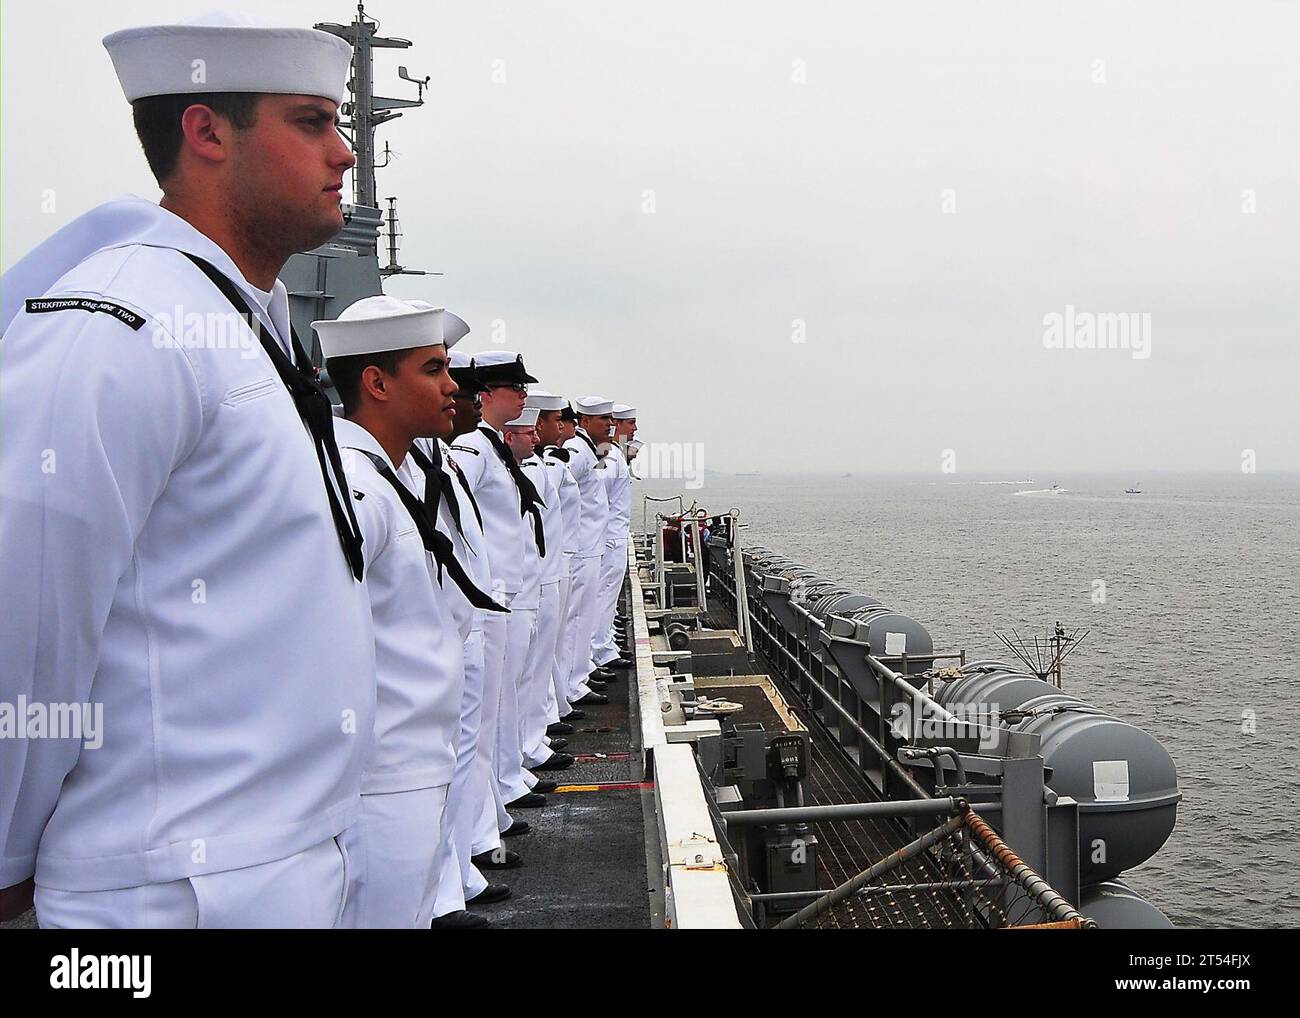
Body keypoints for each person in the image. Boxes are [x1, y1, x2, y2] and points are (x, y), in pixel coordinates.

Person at [0, 14, 376, 929]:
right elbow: (30, 607)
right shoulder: (119, 323)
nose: (346, 153)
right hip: (168, 894)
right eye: (312, 121)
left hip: (285, 863)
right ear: (206, 132)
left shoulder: (243, 322)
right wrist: (5, 854)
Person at [315, 295, 475, 928]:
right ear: (377, 383)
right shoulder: (354, 485)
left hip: (415, 765)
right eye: (432, 369)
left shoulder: (395, 476)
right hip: (379, 781)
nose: (452, 385)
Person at [449, 351, 543, 866]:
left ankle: (486, 826)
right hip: (485, 601)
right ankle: (476, 842)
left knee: (487, 721)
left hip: (502, 595)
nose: (522, 395)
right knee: (476, 728)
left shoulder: (492, 449)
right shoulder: (471, 449)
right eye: (514, 387)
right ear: (485, 394)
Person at [560, 397, 617, 708]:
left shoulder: (588, 449)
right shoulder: (578, 452)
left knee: (582, 617)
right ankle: (572, 684)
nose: (609, 423)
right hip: (580, 551)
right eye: (603, 418)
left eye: (610, 418)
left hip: (588, 549)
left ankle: (579, 674)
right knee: (576, 619)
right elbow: (554, 487)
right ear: (585, 420)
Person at [588, 404, 638, 673]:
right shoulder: (607, 453)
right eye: (630, 423)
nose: (634, 428)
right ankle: (601, 650)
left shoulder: (613, 453)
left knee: (605, 596)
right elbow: (599, 498)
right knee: (603, 595)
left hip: (612, 537)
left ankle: (603, 645)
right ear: (617, 425)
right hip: (608, 539)